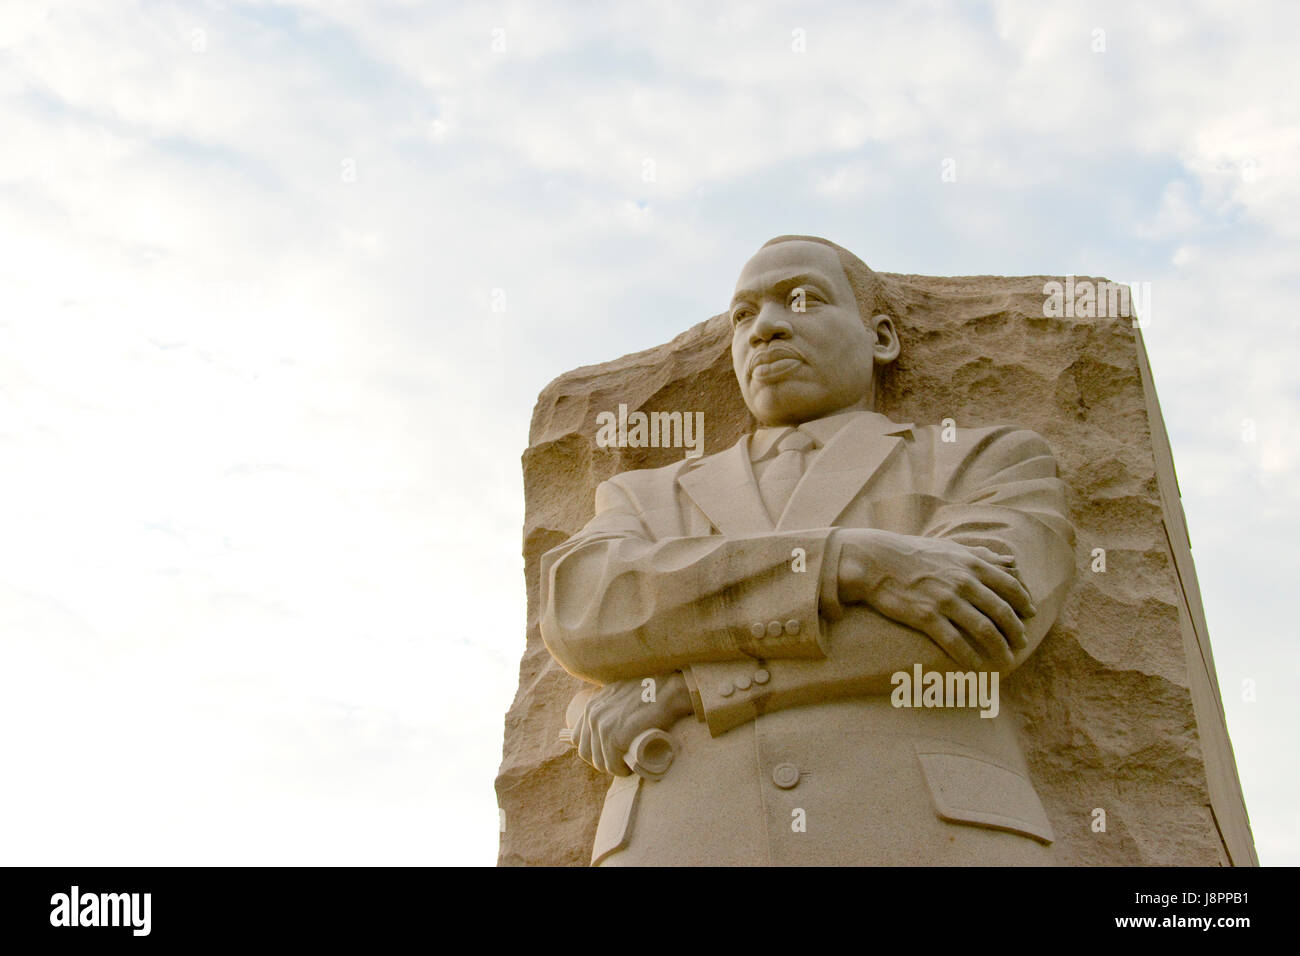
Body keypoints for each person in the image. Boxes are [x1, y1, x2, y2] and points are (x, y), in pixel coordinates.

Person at [539, 236, 1076, 865]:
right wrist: (851, 561)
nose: (764, 328)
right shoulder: (645, 495)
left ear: (881, 338)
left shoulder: (984, 459)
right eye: (743, 315)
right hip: (683, 838)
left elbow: (986, 623)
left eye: (802, 299)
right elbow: (583, 611)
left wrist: (692, 686)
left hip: (927, 834)